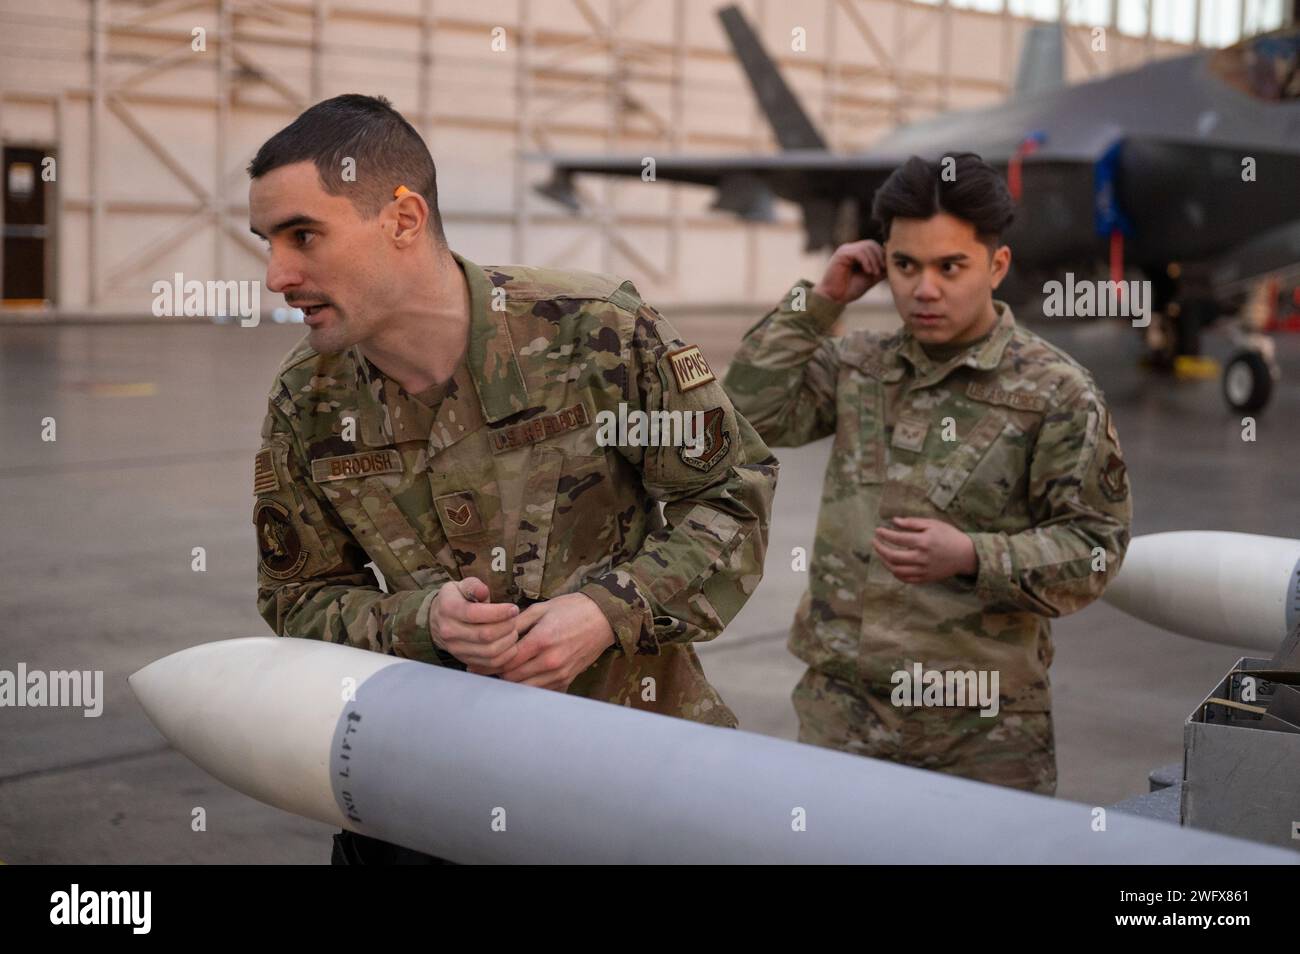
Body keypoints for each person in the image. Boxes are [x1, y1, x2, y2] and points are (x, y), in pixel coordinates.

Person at [247, 94, 777, 862]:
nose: (276, 275)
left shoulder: (592, 331)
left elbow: (732, 498)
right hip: (426, 797)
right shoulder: (309, 399)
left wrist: (605, 612)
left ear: (402, 219)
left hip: (631, 780)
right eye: (267, 241)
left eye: (303, 236)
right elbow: (295, 597)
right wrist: (423, 623)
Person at [723, 153, 1132, 795]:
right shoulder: (862, 364)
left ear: (996, 266)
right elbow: (747, 413)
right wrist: (821, 302)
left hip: (980, 728)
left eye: (951, 267)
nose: (924, 289)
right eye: (905, 266)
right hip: (844, 712)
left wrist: (974, 556)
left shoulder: (1055, 392)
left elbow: (1095, 550)